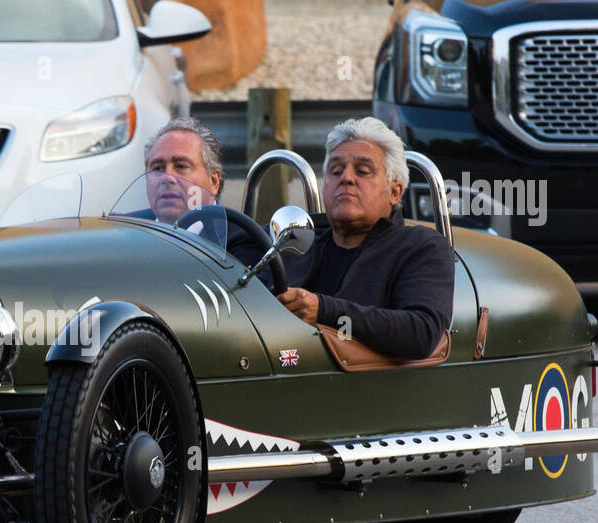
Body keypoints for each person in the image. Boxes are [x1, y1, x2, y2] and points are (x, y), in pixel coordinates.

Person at [275, 117, 453, 360]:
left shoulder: (421, 247)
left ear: (395, 192)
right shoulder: (294, 245)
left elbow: (421, 333)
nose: (346, 178)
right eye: (335, 171)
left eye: (363, 171)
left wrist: (324, 311)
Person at [138, 117, 266, 264]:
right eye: (157, 168)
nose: (167, 177)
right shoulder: (125, 230)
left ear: (214, 181)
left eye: (181, 166)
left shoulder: (245, 243)